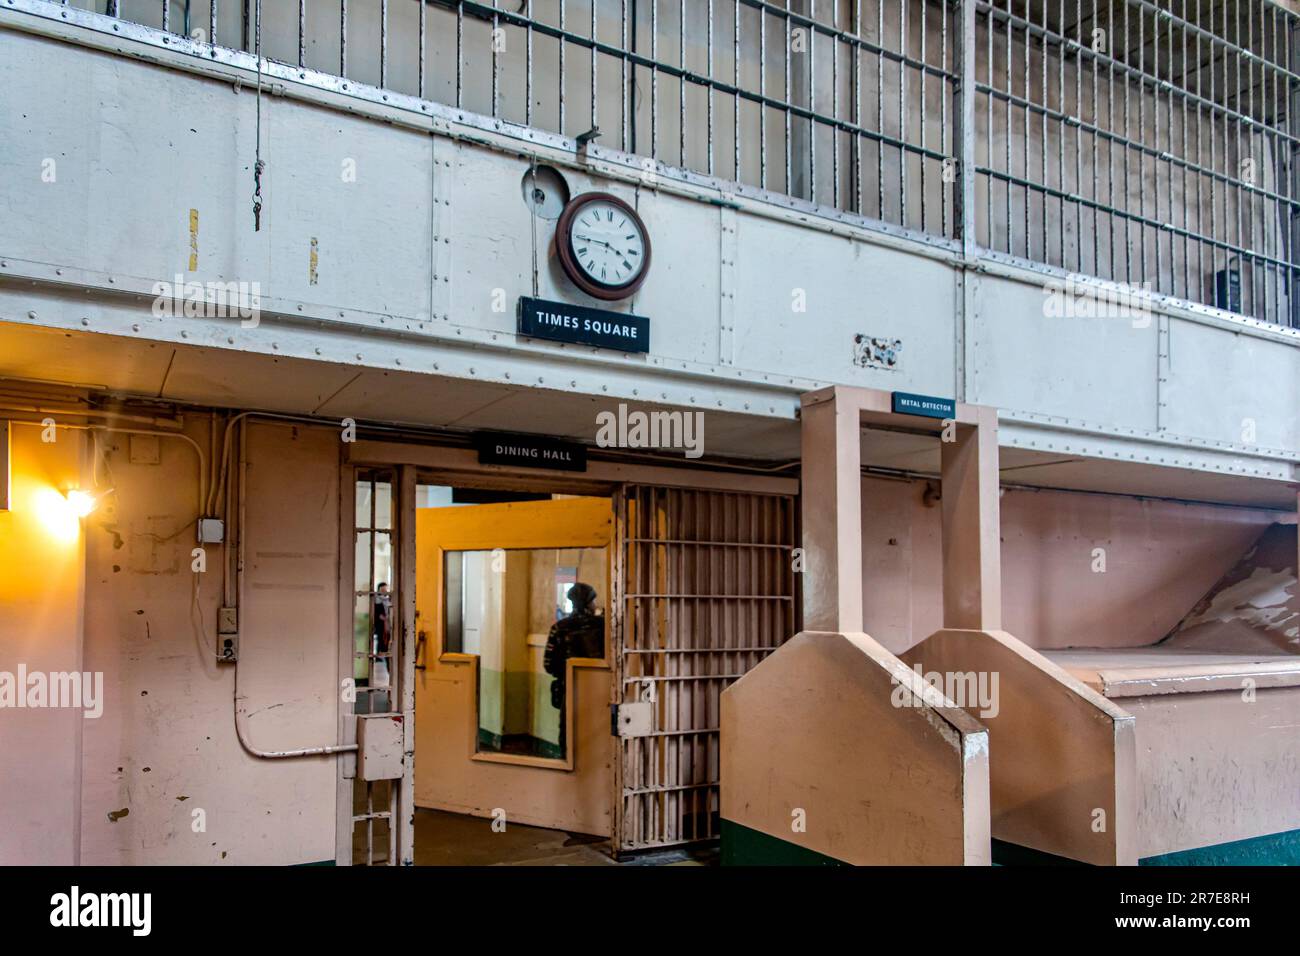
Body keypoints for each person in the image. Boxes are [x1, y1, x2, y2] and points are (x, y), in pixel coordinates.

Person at [543, 583, 604, 752]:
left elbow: (549, 665)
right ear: (589, 603)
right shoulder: (604, 626)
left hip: (569, 690)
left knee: (569, 736)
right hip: (600, 690)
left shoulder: (559, 628)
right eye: (593, 601)